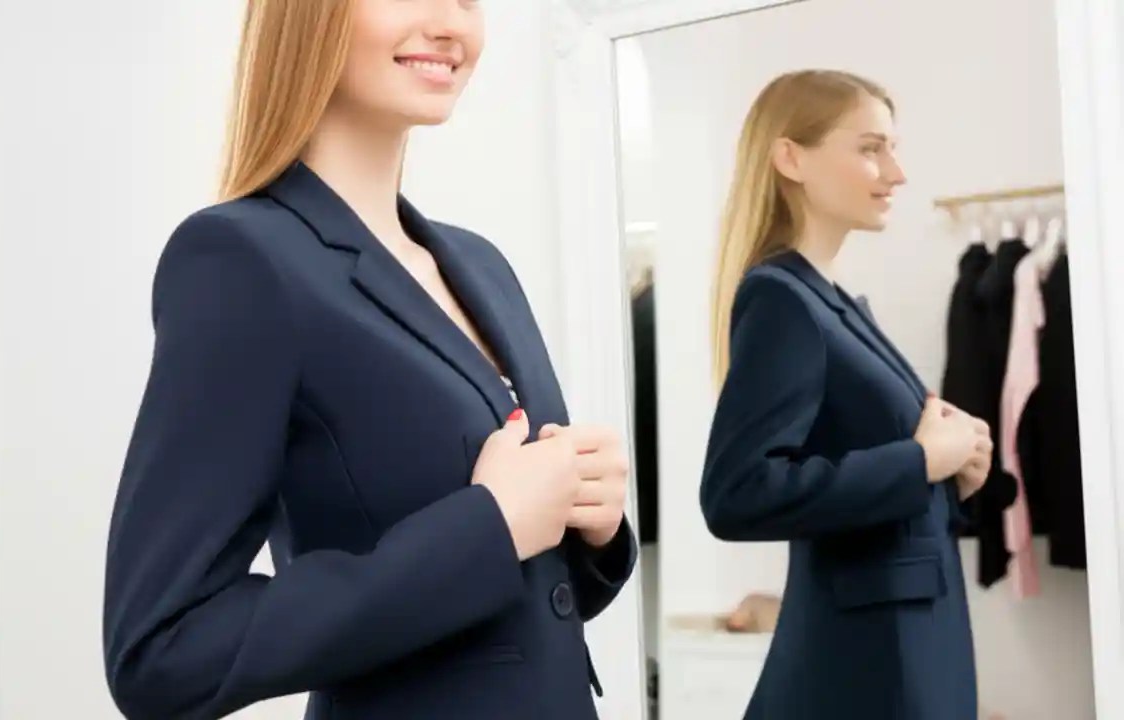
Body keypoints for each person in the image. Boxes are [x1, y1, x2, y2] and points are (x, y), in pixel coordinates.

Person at [101, 2, 637, 719]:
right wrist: (491, 525)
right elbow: (161, 650)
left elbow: (512, 613)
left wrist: (591, 526)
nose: (451, 24)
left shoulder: (481, 264)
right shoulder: (241, 259)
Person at [700, 70, 991, 719]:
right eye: (870, 147)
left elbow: (872, 486)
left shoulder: (832, 304)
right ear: (790, 158)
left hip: (911, 643)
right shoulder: (781, 301)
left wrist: (955, 476)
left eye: (892, 147)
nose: (897, 170)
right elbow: (737, 494)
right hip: (868, 662)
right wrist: (922, 462)